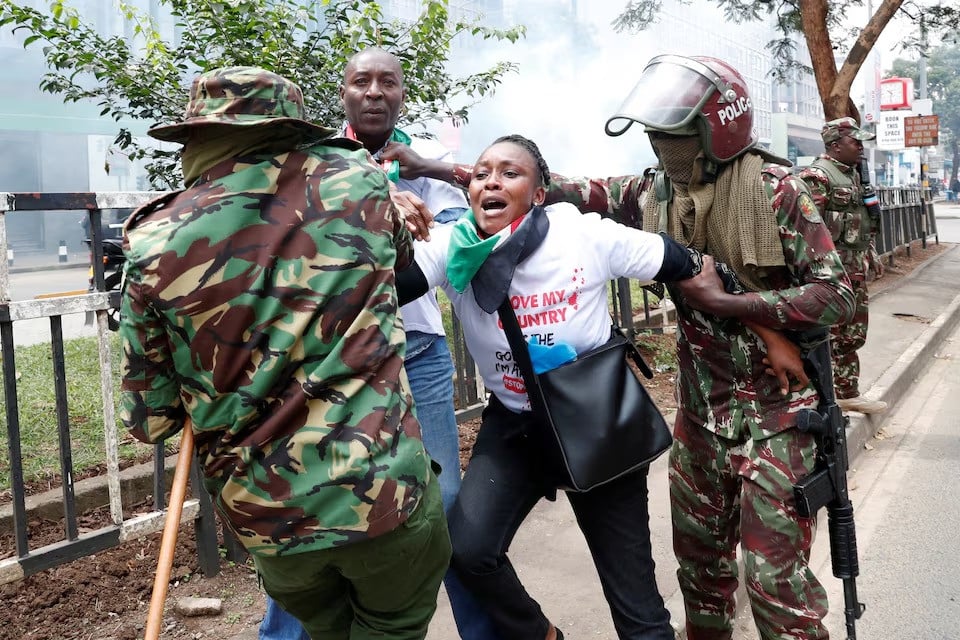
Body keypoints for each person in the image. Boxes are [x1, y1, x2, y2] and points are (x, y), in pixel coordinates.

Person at [387, 56, 856, 640]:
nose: (663, 147)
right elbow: (546, 186)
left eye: (676, 135)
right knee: (702, 576)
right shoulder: (648, 192)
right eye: (657, 136)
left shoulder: (775, 191)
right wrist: (408, 181)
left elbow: (826, 294)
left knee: (769, 583)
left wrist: (756, 319)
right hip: (692, 411)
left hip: (760, 408)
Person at [118, 66, 450, 639]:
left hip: (271, 524)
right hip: (385, 499)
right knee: (391, 625)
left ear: (198, 138)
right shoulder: (361, 185)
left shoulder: (151, 244)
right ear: (291, 128)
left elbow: (152, 420)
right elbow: (399, 262)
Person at [397, 133, 718, 640]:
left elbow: (680, 260)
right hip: (515, 425)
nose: (492, 182)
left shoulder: (582, 235)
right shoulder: (454, 247)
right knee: (467, 551)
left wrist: (753, 320)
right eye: (481, 174)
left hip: (594, 420)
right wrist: (375, 209)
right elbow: (400, 283)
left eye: (510, 172)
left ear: (539, 193)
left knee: (636, 608)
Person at [259, 46, 500, 640]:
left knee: (443, 500)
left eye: (385, 82)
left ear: (399, 93)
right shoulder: (312, 163)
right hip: (331, 359)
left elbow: (481, 221)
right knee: (311, 506)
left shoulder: (434, 162)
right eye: (360, 81)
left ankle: (486, 631)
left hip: (414, 349)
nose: (373, 91)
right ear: (342, 93)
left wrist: (430, 177)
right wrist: (373, 208)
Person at [798, 117, 887, 415]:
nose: (861, 147)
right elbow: (810, 229)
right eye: (855, 141)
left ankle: (847, 392)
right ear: (835, 146)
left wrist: (870, 253)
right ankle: (825, 396)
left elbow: (861, 221)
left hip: (855, 268)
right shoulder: (818, 176)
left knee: (852, 334)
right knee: (831, 334)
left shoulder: (853, 175)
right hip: (833, 274)